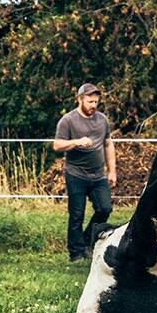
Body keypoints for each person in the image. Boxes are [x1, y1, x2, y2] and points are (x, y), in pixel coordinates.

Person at [51, 82, 117, 260]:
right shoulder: (68, 120)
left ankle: (88, 240)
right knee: (76, 215)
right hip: (76, 174)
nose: (94, 106)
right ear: (80, 99)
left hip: (98, 175)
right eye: (90, 102)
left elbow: (108, 144)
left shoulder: (102, 120)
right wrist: (76, 142)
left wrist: (112, 171)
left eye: (96, 102)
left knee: (105, 208)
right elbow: (57, 145)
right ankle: (76, 253)